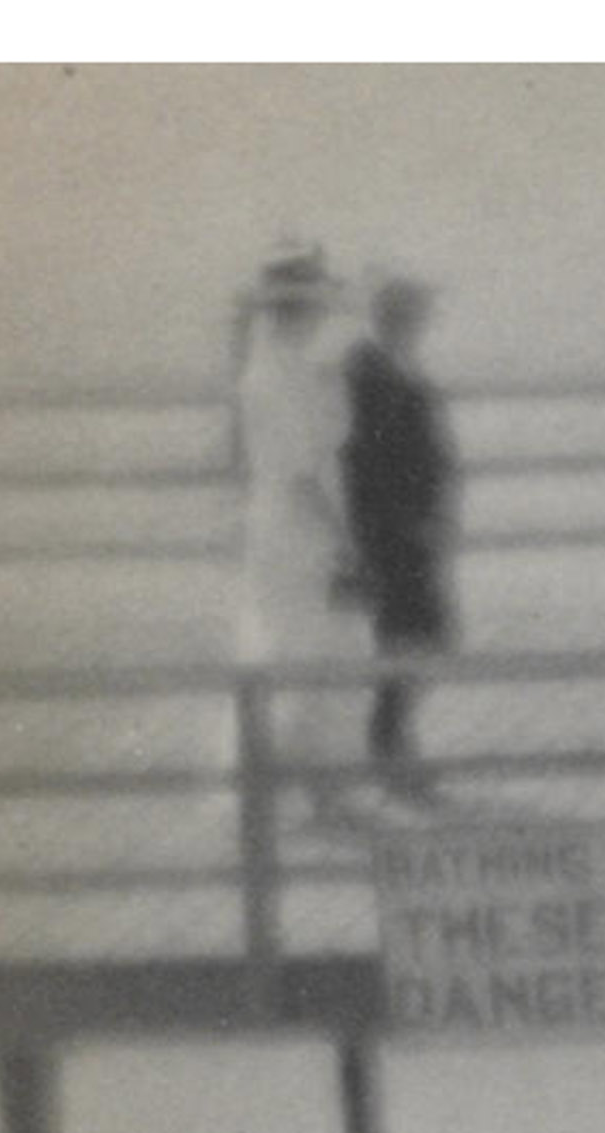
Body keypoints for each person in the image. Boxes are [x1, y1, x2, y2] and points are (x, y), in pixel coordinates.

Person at [232, 243, 366, 816]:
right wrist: (344, 540)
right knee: (295, 656)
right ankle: (269, 794)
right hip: (295, 529)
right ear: (294, 309)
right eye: (312, 305)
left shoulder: (294, 370)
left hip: (298, 524)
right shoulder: (273, 376)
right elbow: (300, 474)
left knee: (330, 656)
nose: (320, 315)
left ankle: (322, 790)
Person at [341, 274, 457, 802]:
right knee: (409, 637)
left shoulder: (398, 365)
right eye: (412, 312)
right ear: (389, 315)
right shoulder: (367, 370)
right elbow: (368, 460)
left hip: (416, 529)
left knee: (426, 637)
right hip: (390, 531)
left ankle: (390, 742)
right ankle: (389, 750)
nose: (419, 323)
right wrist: (412, 518)